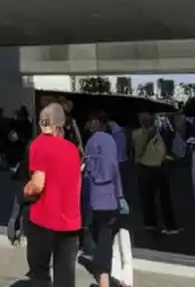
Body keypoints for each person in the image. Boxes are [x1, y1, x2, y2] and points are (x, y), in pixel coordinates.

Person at [24, 102, 82, 287]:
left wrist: (26, 189)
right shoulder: (72, 149)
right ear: (60, 125)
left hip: (43, 221)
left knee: (39, 272)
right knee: (65, 275)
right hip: (70, 223)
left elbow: (38, 184)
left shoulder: (38, 145)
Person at [84, 111, 126, 287]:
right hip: (109, 195)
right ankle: (105, 277)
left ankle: (102, 278)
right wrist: (120, 195)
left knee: (98, 234)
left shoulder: (92, 142)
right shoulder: (110, 141)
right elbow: (114, 168)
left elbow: (87, 171)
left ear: (97, 122)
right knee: (106, 234)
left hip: (94, 195)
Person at [131, 112, 180, 235]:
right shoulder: (139, 134)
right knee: (156, 198)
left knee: (158, 197)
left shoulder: (159, 133)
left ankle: (158, 223)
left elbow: (161, 149)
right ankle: (158, 223)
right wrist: (148, 137)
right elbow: (138, 151)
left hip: (154, 167)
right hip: (149, 167)